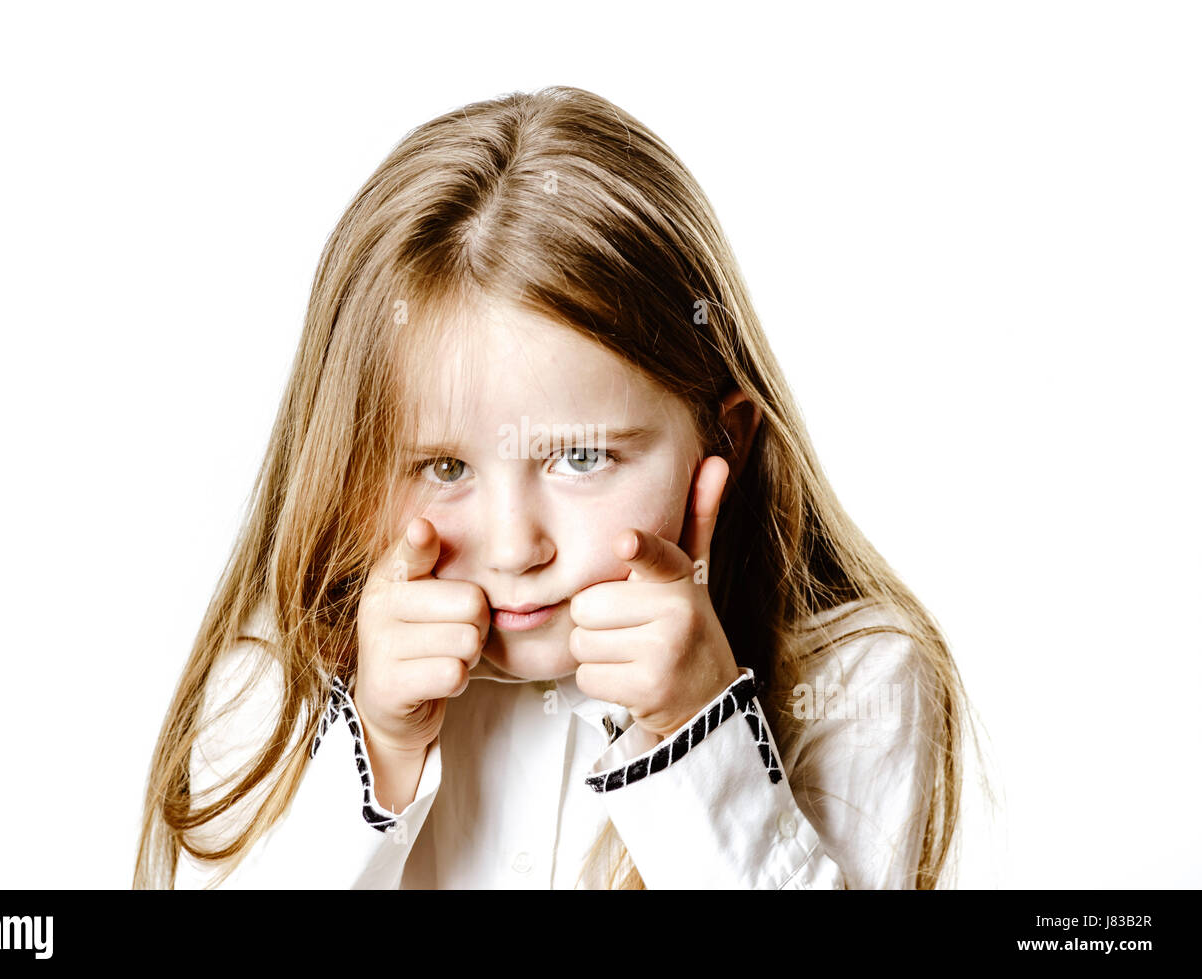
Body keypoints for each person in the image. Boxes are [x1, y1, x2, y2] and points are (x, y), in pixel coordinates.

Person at [133, 85, 974, 889]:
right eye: (445, 467)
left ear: (724, 440)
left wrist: (698, 734)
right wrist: (380, 754)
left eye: (580, 458)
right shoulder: (278, 689)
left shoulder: (860, 681)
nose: (515, 547)